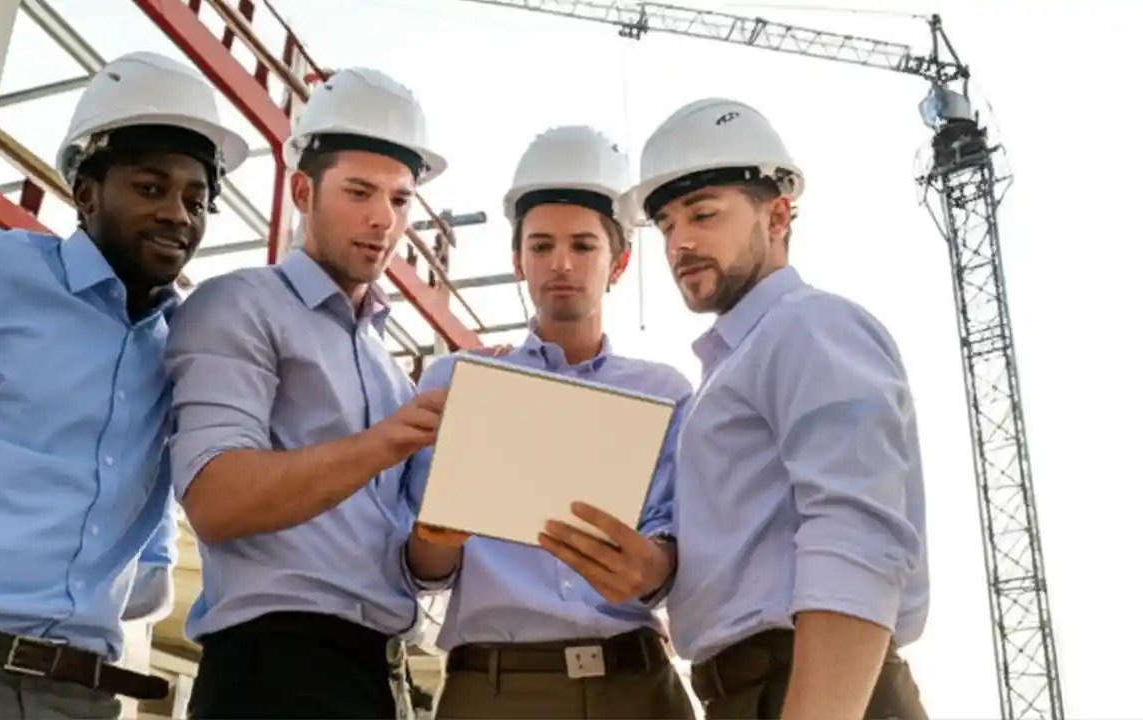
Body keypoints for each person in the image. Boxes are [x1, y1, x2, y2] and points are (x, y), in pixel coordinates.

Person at [0, 50, 247, 719]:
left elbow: (149, 578)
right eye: (151, 188)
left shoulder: (180, 349)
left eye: (196, 198)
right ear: (87, 192)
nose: (178, 215)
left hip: (80, 696)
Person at [548, 97, 932, 720]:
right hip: (753, 691)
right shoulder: (735, 365)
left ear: (777, 216)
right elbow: (755, 552)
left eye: (703, 214)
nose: (681, 243)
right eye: (668, 226)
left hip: (810, 689)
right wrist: (660, 576)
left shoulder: (808, 327)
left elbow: (857, 538)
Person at [162, 67, 451, 719]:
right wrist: (388, 442)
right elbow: (216, 499)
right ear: (301, 189)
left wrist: (457, 512)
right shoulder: (238, 307)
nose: (383, 220)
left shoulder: (386, 367)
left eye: (400, 200)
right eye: (359, 192)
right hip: (276, 673)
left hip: (383, 677)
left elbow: (421, 563)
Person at [401, 126, 697, 720]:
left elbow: (677, 555)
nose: (561, 264)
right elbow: (424, 572)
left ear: (619, 261)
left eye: (584, 246)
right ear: (517, 261)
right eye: (540, 247)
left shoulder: (665, 394)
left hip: (636, 685)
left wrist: (652, 564)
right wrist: (440, 533)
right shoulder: (454, 384)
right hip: (496, 690)